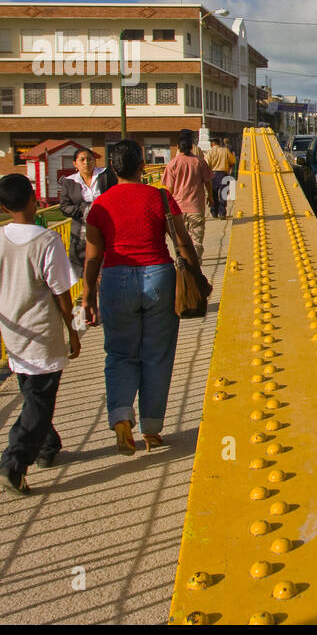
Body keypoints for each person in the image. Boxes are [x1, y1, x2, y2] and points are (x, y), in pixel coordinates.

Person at [82, 139, 200, 455]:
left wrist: (87, 295)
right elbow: (183, 240)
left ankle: (121, 418)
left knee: (120, 353)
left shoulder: (100, 205)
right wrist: (196, 276)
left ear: (113, 168)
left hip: (116, 279)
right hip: (159, 275)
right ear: (142, 166)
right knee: (157, 355)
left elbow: (93, 257)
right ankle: (151, 429)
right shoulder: (159, 197)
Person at [0, 174, 82, 496]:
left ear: (1, 206)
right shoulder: (46, 241)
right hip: (42, 331)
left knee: (32, 392)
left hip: (13, 332)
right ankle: (14, 461)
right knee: (39, 400)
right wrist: (72, 331)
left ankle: (48, 446)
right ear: (35, 199)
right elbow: (62, 293)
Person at [58, 147, 116, 273]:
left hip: (106, 228)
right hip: (81, 233)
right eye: (82, 160)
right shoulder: (69, 182)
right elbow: (64, 207)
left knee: (105, 268)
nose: (86, 163)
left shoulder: (105, 175)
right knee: (86, 271)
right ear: (75, 163)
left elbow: (116, 195)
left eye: (89, 159)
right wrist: (86, 209)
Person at [160, 130, 213, 259]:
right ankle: (196, 263)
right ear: (191, 147)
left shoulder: (172, 164)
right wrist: (210, 197)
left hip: (178, 209)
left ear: (178, 147)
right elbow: (208, 182)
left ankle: (183, 262)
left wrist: (165, 206)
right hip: (196, 208)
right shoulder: (199, 162)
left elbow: (169, 189)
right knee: (196, 240)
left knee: (180, 240)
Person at [204, 136, 236, 218]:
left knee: (213, 194)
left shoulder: (209, 152)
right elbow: (233, 161)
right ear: (219, 143)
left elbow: (206, 165)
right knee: (223, 194)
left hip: (213, 175)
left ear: (212, 144)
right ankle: (222, 213)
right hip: (223, 174)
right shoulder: (225, 151)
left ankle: (214, 212)